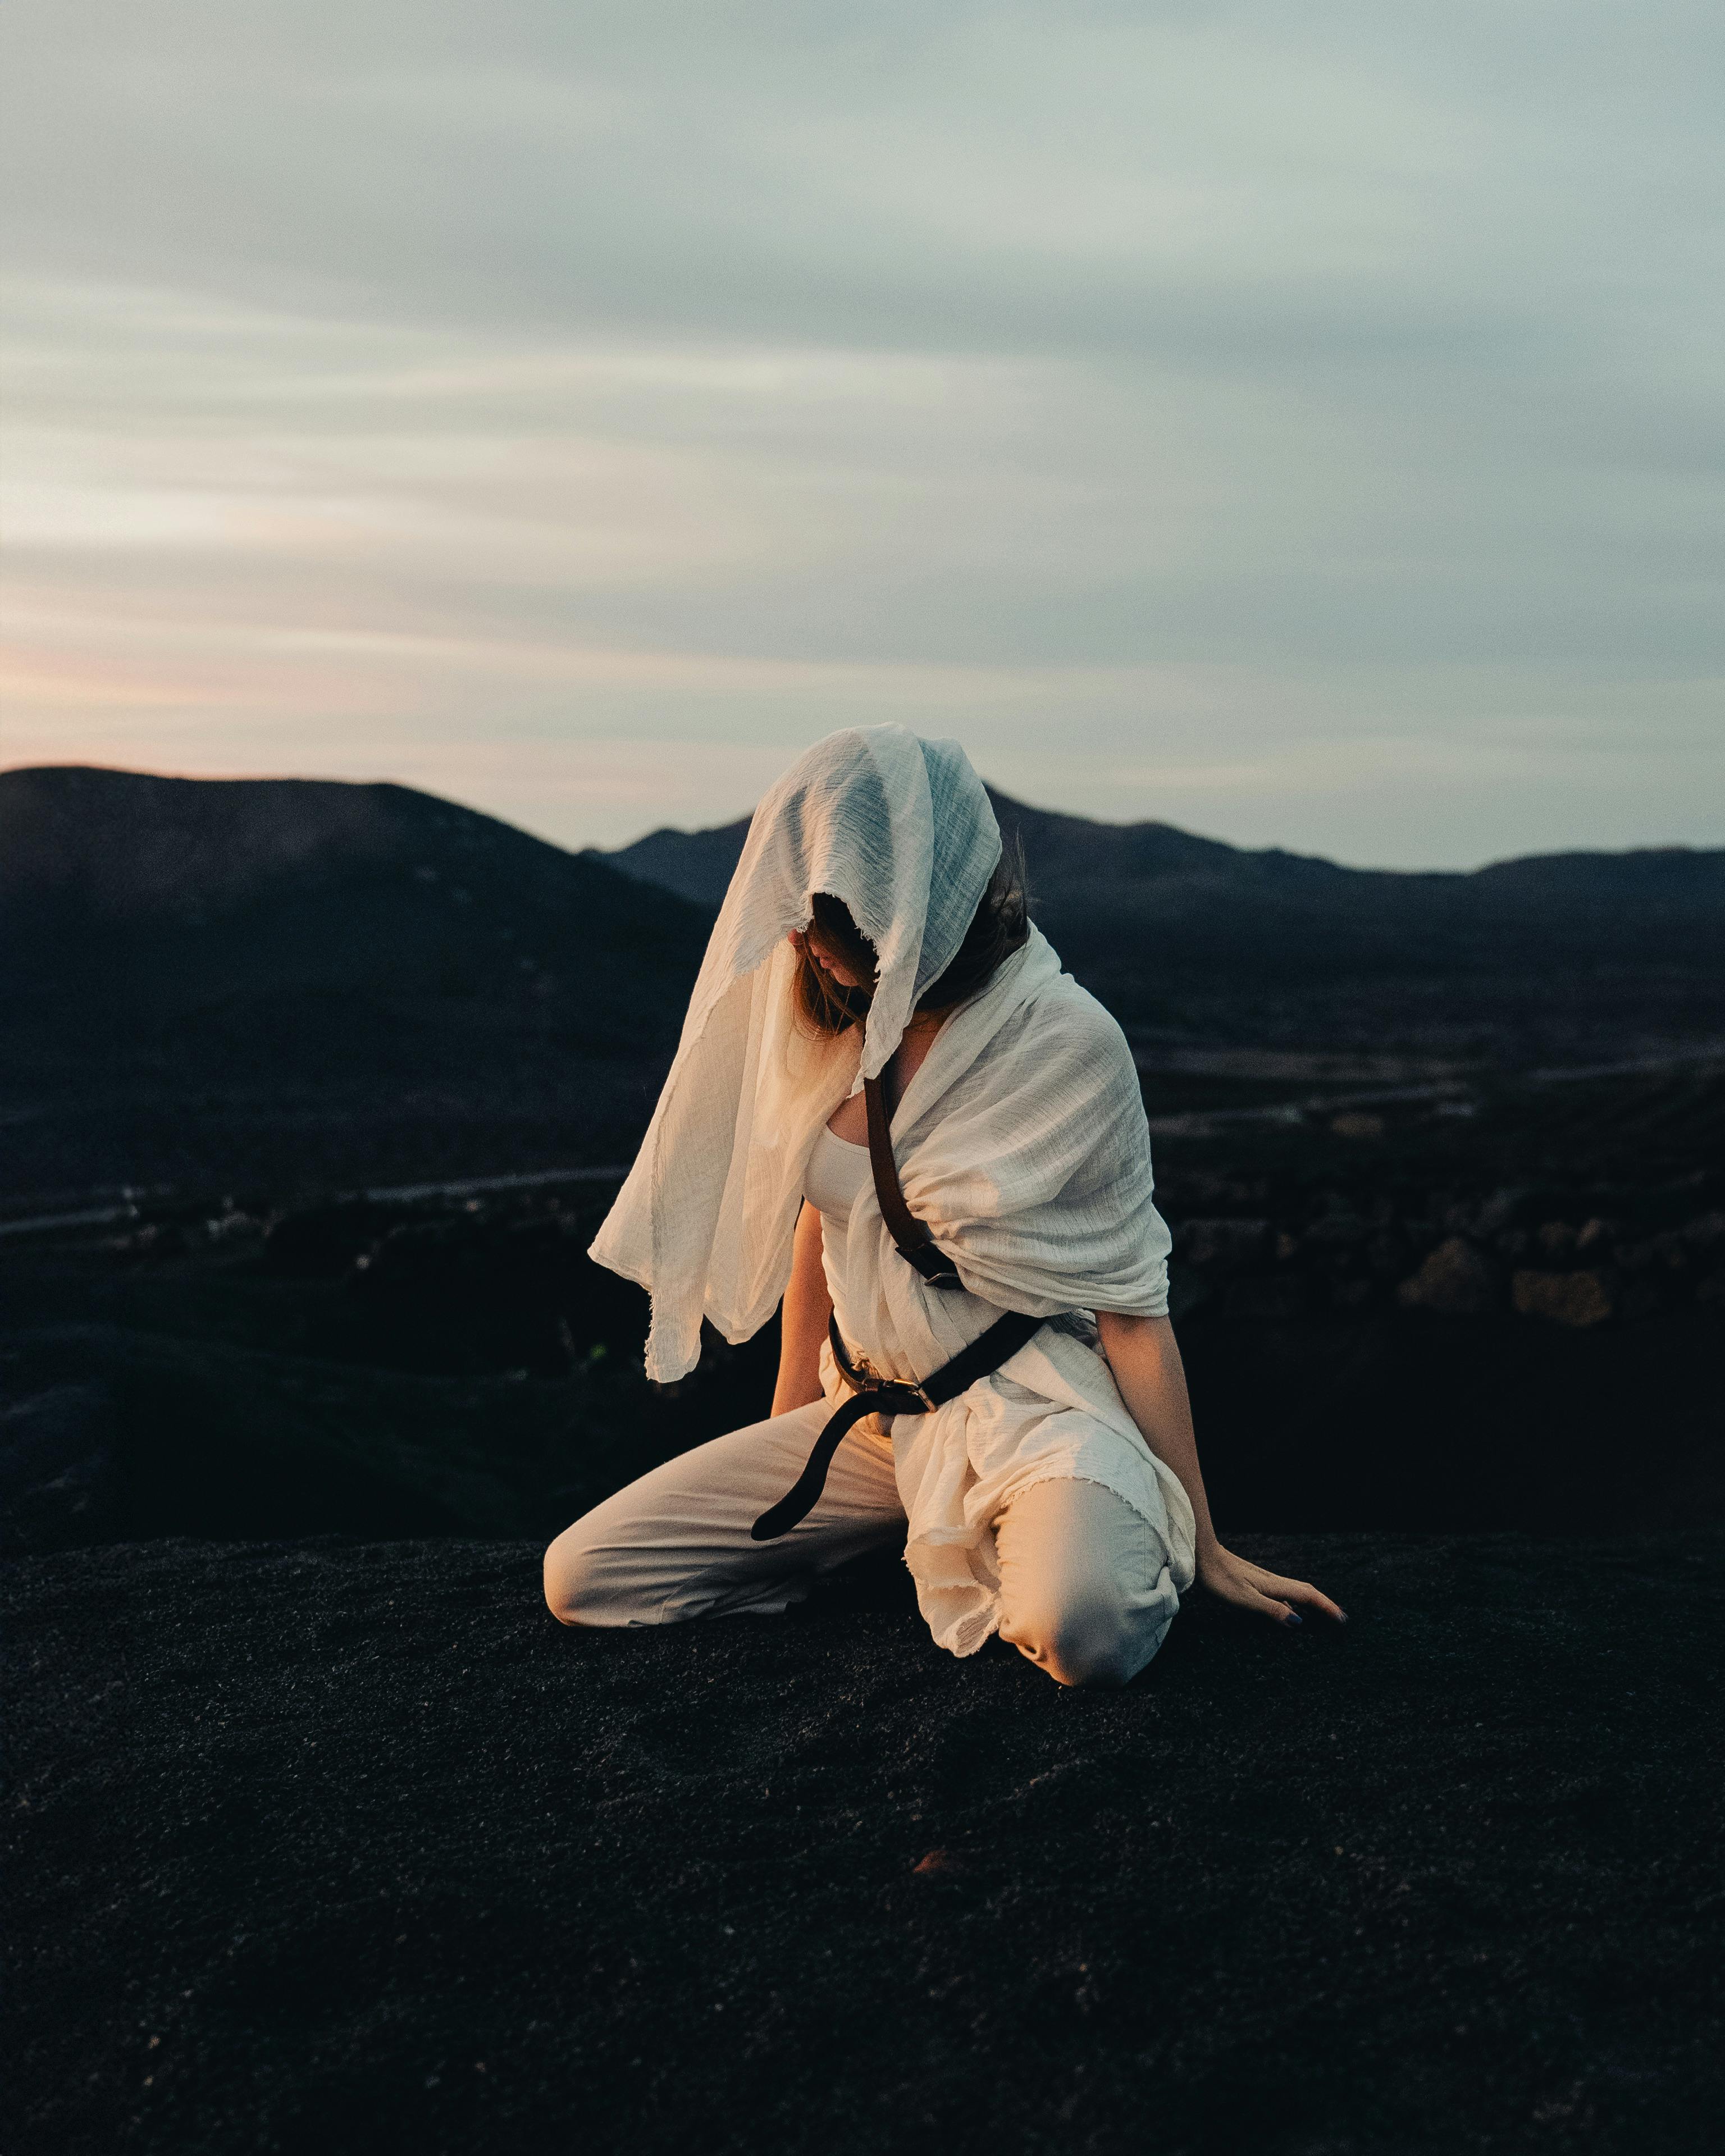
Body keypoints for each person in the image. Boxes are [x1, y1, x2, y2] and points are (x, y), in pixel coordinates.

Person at [545, 725, 1342, 1685]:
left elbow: (1133, 1313)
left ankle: (1053, 1527)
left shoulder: (1066, 1042)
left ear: (908, 895)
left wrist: (1206, 1544)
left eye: (826, 910)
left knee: (1082, 1632)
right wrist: (785, 1428)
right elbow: (825, 1226)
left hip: (1028, 1412)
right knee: (586, 1577)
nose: (800, 939)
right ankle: (919, 1533)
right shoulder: (839, 1027)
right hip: (871, 1423)